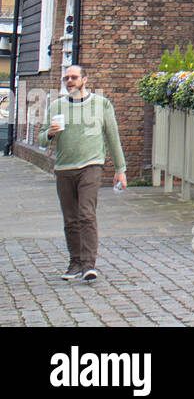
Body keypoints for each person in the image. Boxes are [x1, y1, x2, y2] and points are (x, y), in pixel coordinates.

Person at [38, 65, 127, 282]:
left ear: (84, 79)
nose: (69, 81)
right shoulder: (57, 106)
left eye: (74, 77)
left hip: (91, 165)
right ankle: (75, 263)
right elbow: (41, 138)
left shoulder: (101, 104)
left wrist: (120, 169)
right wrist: (49, 133)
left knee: (86, 214)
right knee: (70, 219)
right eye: (66, 78)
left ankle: (89, 264)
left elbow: (112, 136)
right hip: (64, 168)